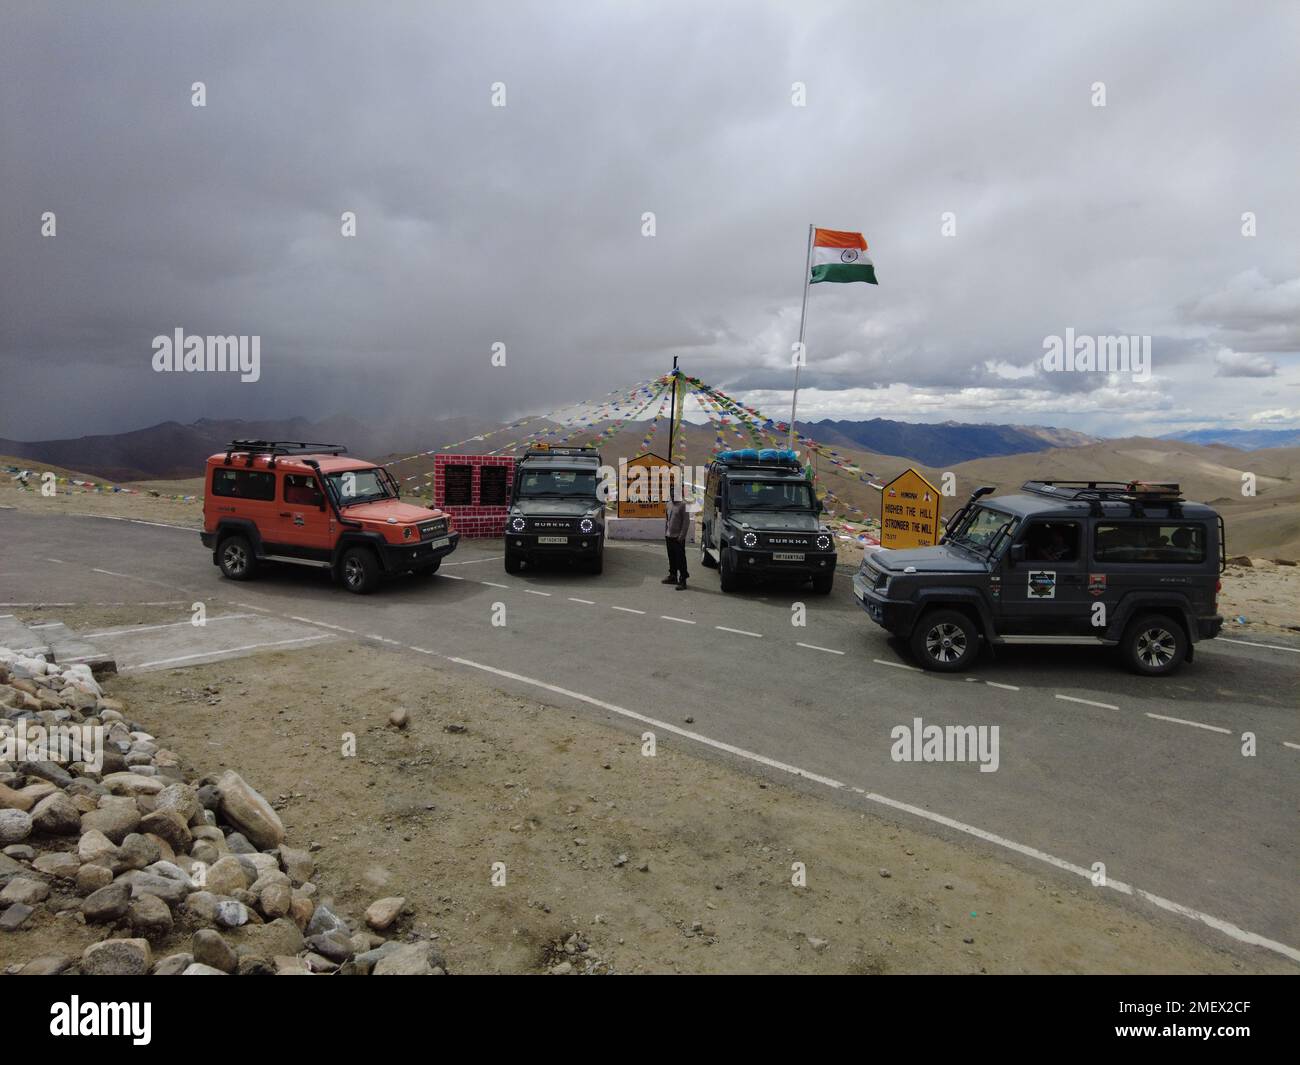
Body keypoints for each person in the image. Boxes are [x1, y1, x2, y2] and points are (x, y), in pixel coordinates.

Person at [662, 488, 690, 590]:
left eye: (674, 495)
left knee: (680, 559)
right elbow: (666, 519)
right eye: (671, 495)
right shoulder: (669, 504)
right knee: (671, 557)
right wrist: (666, 532)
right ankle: (673, 576)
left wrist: (681, 536)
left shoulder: (683, 505)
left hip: (678, 537)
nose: (672, 497)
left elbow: (686, 523)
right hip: (669, 536)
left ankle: (683, 580)